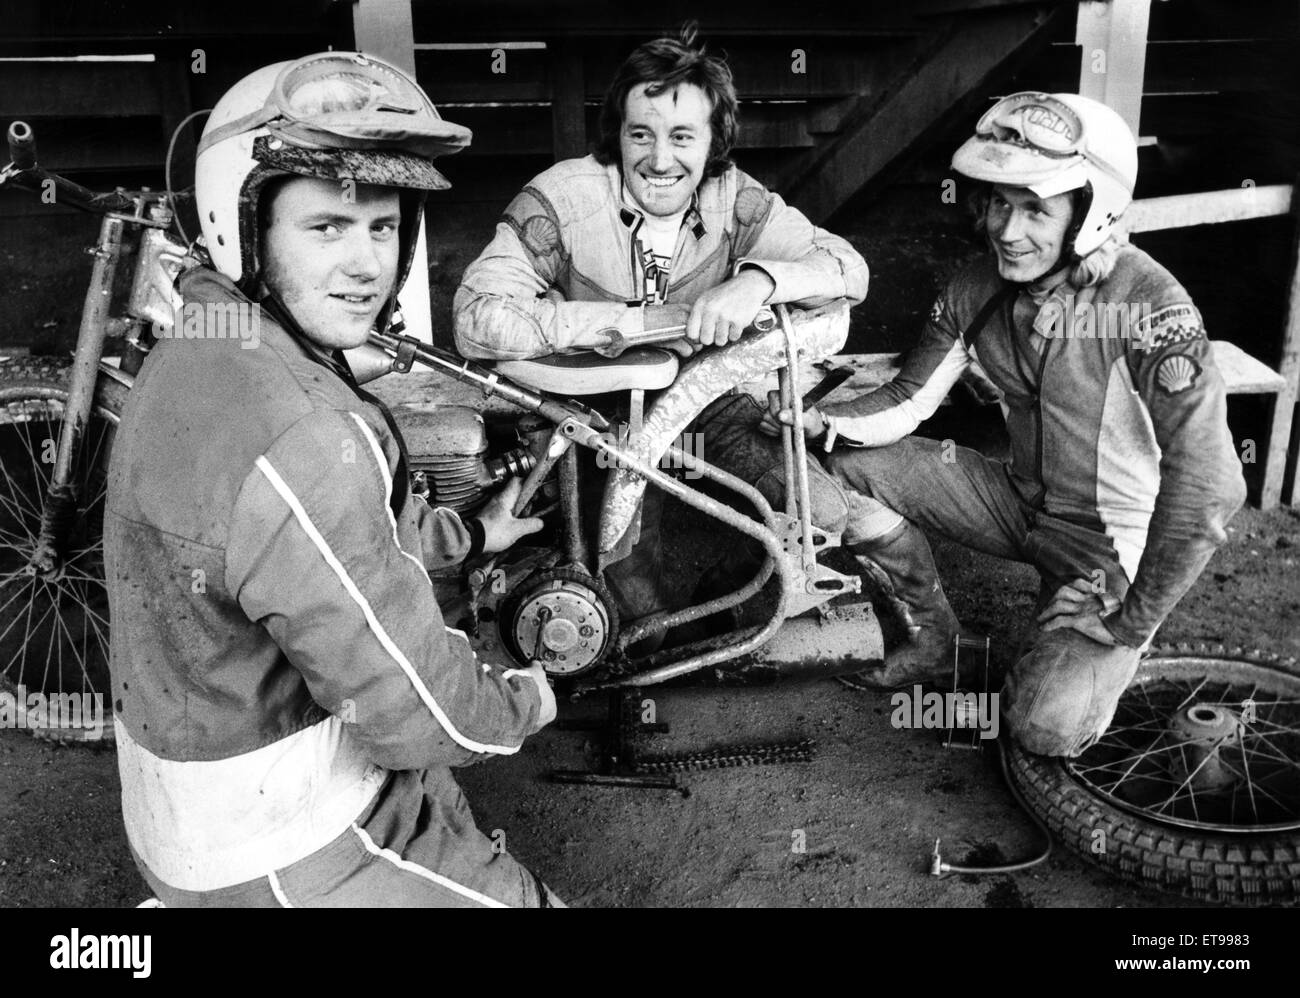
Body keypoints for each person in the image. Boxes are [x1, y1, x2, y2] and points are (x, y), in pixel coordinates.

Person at [104, 52, 561, 907]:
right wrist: (529, 697)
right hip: (288, 841)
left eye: (383, 227)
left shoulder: (202, 342)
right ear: (242, 224)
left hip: (197, 802)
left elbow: (329, 534)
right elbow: (423, 710)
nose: (367, 265)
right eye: (327, 228)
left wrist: (469, 536)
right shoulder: (307, 427)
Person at [765, 91, 1246, 757]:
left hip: (1105, 544)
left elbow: (1212, 490)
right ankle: (939, 641)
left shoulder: (1151, 306)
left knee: (1042, 728)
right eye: (996, 201)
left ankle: (1072, 662)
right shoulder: (976, 283)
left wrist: (1131, 621)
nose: (1005, 229)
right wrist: (812, 420)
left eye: (1034, 209)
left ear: (1090, 209)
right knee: (834, 464)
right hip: (1016, 500)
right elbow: (907, 402)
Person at [453, 26, 868, 626]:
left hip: (700, 408)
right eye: (640, 134)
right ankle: (653, 619)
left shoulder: (736, 199)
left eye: (681, 137)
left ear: (713, 141)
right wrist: (644, 323)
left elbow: (848, 268)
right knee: (627, 604)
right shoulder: (562, 198)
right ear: (617, 133)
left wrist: (758, 282)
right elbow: (477, 318)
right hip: (592, 419)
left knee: (817, 511)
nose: (659, 158)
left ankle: (710, 615)